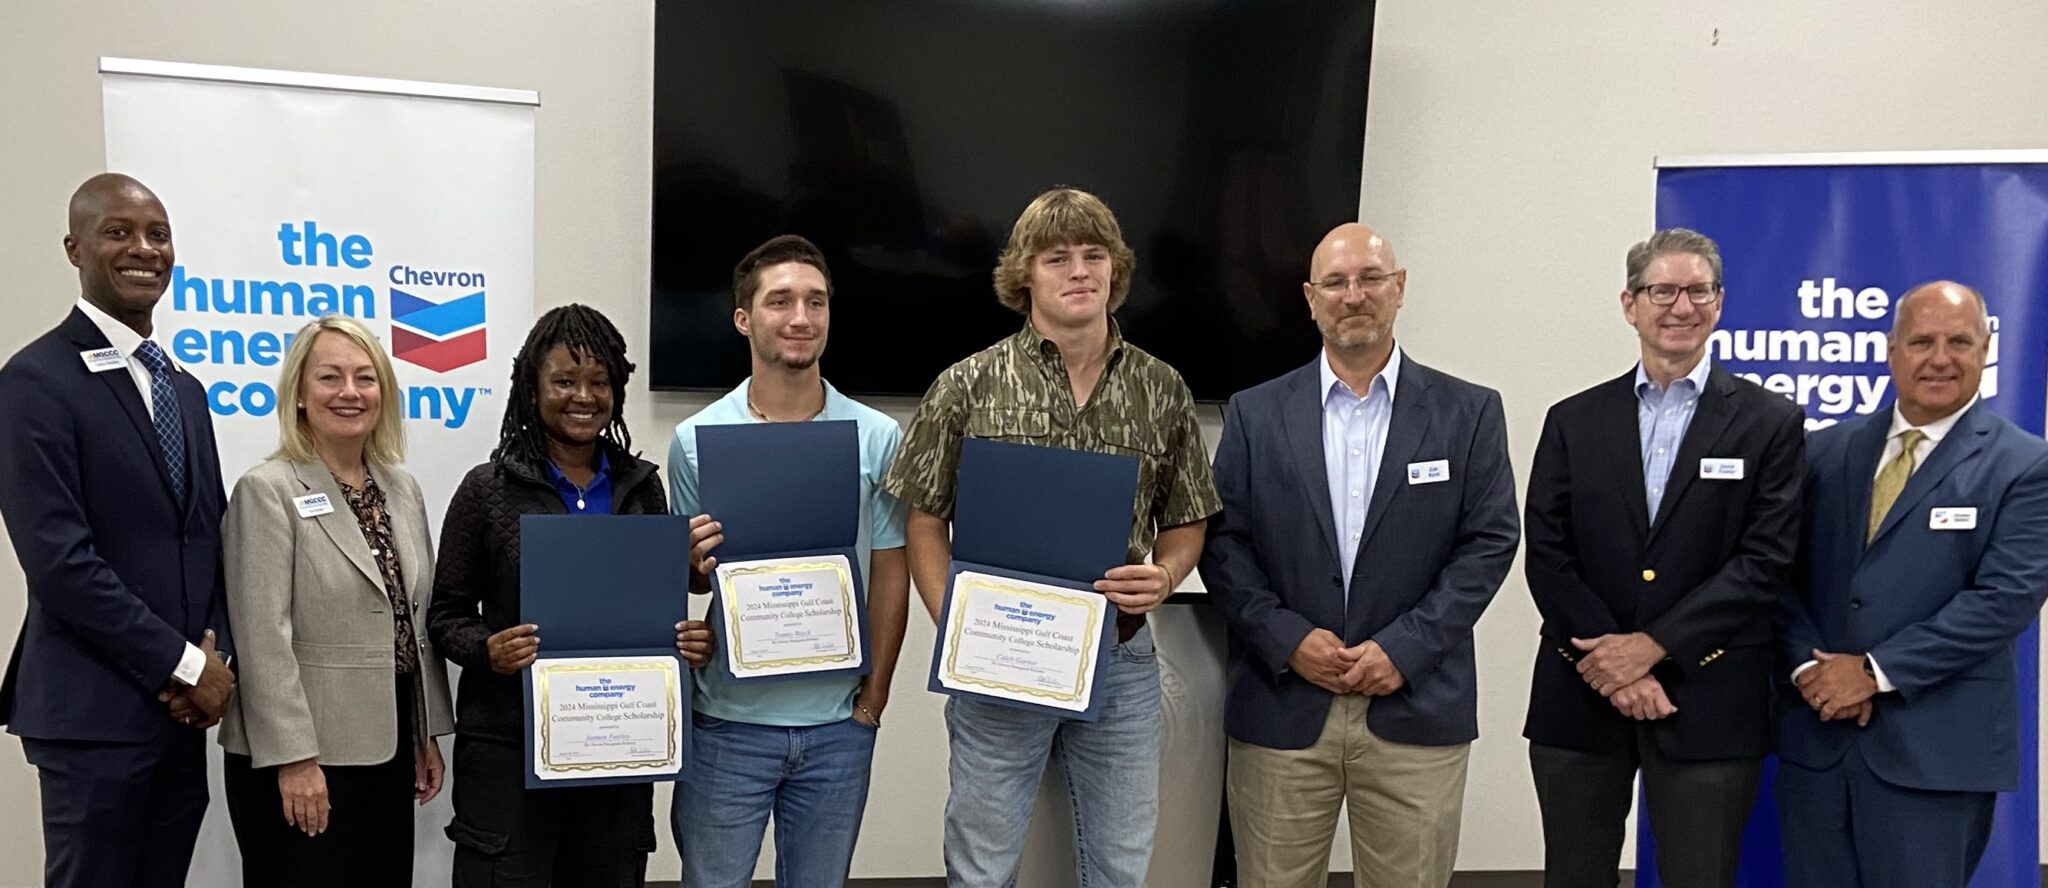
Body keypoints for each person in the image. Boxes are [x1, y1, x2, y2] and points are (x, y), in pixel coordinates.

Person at [881, 186, 1221, 887]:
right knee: (981, 864)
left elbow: (1188, 518)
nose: (1079, 271)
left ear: (1115, 270)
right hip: (998, 660)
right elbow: (923, 517)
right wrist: (953, 620)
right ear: (1024, 276)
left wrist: (1165, 574)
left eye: (1094, 255)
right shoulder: (965, 385)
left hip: (1122, 663)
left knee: (1120, 863)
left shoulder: (1163, 389)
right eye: (1057, 256)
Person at [1200, 222, 1519, 887]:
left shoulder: (1469, 412)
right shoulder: (1256, 415)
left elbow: (1489, 542)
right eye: (1337, 283)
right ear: (1310, 299)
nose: (1355, 295)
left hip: (1417, 704)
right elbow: (1223, 543)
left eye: (1371, 278)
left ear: (1398, 289)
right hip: (1282, 704)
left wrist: (1404, 648)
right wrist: (1287, 640)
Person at [1520, 228, 1804, 888]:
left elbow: (1765, 561)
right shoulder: (1573, 420)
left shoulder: (1770, 423)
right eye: (1662, 290)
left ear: (1720, 302)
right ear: (1630, 304)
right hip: (1580, 696)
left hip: (1709, 700)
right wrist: (1613, 666)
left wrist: (1651, 648)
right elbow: (1550, 555)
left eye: (1698, 290)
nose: (1681, 306)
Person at [0, 173, 237, 887]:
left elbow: (210, 537)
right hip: (91, 717)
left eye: (157, 234)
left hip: (178, 722)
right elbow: (60, 563)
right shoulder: (35, 381)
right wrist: (187, 667)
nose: (144, 249)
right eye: (119, 232)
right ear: (74, 248)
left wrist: (216, 659)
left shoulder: (184, 390)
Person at [427, 304, 715, 887]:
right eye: (563, 380)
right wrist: (489, 649)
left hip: (618, 747)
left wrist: (685, 637)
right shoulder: (487, 489)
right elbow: (446, 614)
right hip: (509, 750)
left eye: (599, 381)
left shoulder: (642, 486)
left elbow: (651, 614)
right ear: (532, 389)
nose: (583, 395)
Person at [1778, 281, 2048, 888]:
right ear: (1892, 349)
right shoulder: (1820, 452)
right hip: (1818, 746)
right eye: (1922, 341)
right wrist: (1809, 671)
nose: (1940, 358)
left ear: (1986, 350)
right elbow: (1774, 580)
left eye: (1959, 341)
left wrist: (1871, 671)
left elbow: (2003, 601)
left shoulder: (2026, 466)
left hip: (1935, 755)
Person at [666, 235, 910, 887]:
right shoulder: (696, 442)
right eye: (780, 301)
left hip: (838, 727)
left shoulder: (877, 437)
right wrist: (689, 565)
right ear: (744, 319)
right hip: (728, 724)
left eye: (816, 301)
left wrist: (875, 698)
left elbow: (892, 567)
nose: (801, 317)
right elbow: (693, 582)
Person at [217, 315, 455, 886]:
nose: (350, 392)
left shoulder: (401, 488)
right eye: (330, 377)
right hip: (304, 755)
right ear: (299, 393)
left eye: (365, 378)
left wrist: (424, 730)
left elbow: (410, 619)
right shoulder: (267, 489)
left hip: (390, 740)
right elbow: (261, 639)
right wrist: (295, 759)